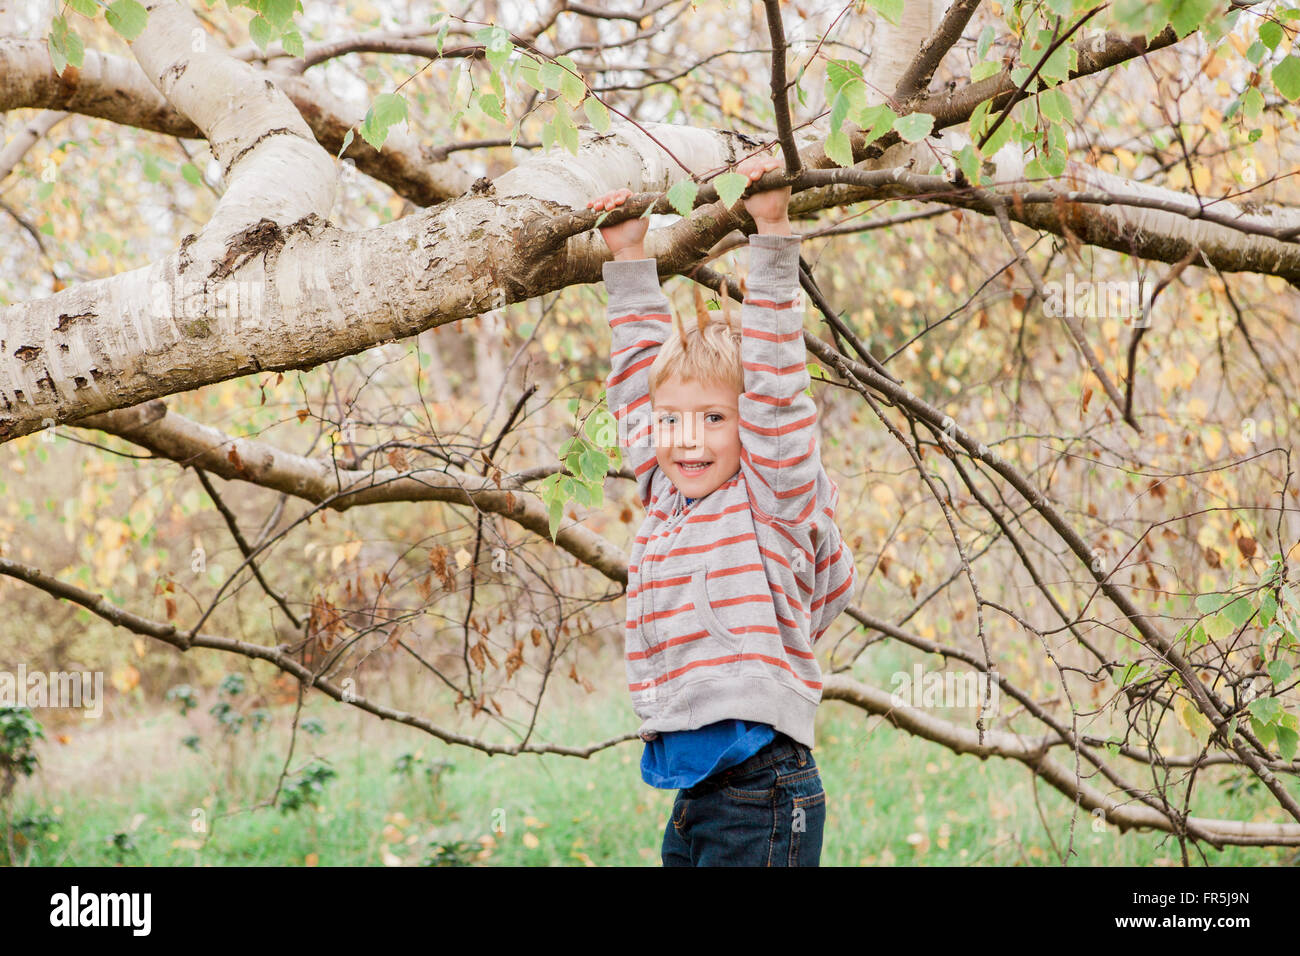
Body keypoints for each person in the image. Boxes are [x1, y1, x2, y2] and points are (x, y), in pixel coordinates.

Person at [588, 153, 858, 866]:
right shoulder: (666, 494)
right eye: (673, 422)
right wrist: (629, 257)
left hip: (763, 786)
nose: (686, 440)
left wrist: (771, 233)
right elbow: (636, 377)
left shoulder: (769, 497)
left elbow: (775, 387)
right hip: (702, 792)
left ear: (749, 429)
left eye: (713, 419)